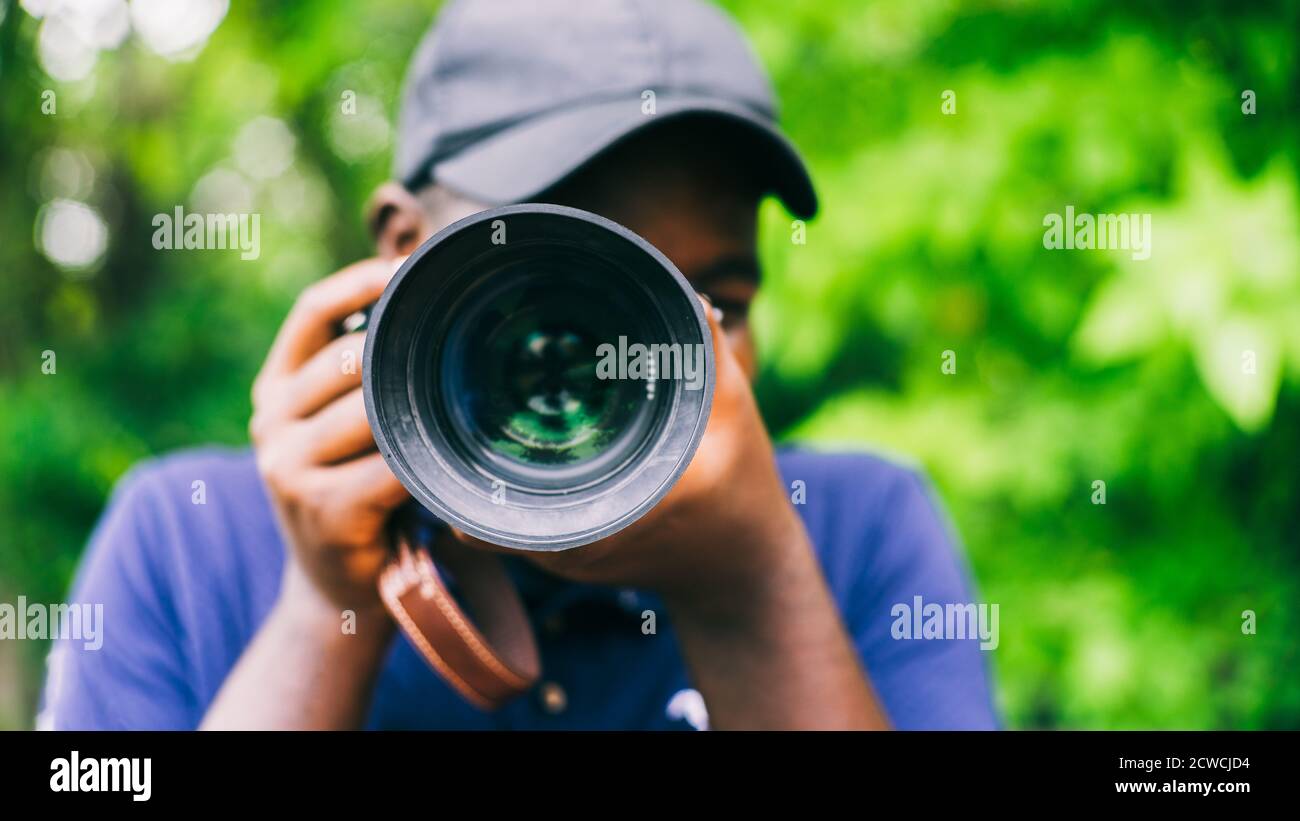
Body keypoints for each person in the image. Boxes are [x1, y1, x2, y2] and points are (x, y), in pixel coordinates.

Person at [40, 0, 997, 730]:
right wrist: (328, 603)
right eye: (560, 292)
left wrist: (747, 580)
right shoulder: (184, 543)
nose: (649, 364)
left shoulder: (856, 531)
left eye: (721, 305)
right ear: (399, 254)